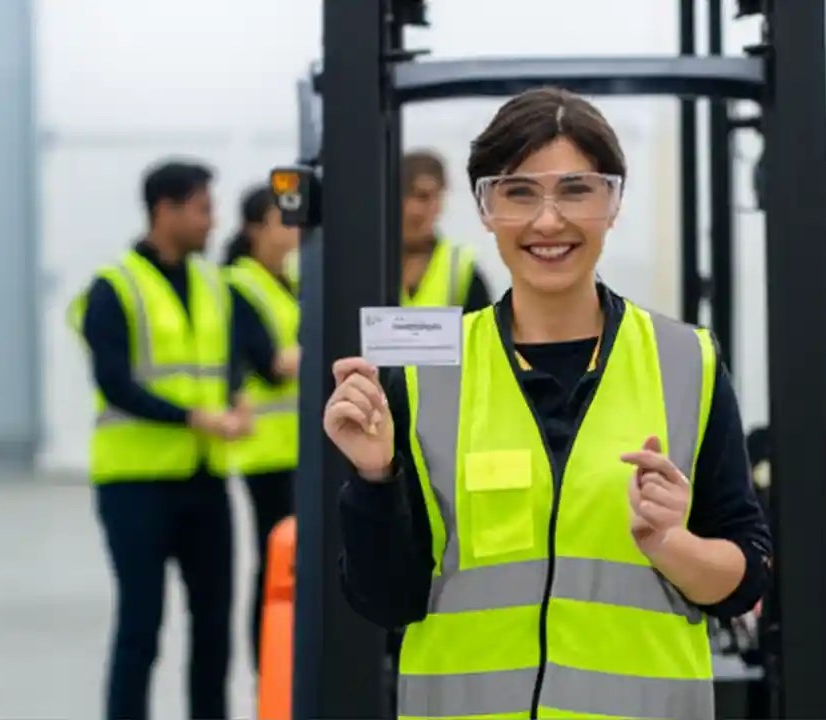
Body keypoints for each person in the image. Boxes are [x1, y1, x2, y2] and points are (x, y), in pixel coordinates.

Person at [326, 87, 772, 720]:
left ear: (612, 203)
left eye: (576, 190)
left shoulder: (685, 361)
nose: (547, 221)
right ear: (485, 208)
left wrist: (671, 543)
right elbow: (385, 601)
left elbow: (744, 576)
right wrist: (375, 477)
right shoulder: (426, 379)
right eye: (519, 192)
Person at [67, 160, 247, 720]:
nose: (211, 222)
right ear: (163, 210)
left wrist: (235, 396)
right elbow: (114, 383)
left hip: (204, 478)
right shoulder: (113, 288)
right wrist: (196, 418)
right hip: (135, 484)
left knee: (214, 624)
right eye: (201, 209)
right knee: (141, 624)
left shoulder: (214, 284)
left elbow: (230, 357)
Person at [222, 185, 301, 673]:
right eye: (281, 219)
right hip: (267, 452)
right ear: (255, 228)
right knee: (275, 566)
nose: (292, 228)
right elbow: (270, 364)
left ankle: (288, 663)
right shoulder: (239, 284)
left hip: (297, 448)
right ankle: (269, 671)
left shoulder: (287, 282)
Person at [398, 149, 494, 310]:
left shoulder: (461, 269)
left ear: (440, 202)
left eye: (423, 196)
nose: (412, 209)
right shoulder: (366, 267)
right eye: (405, 195)